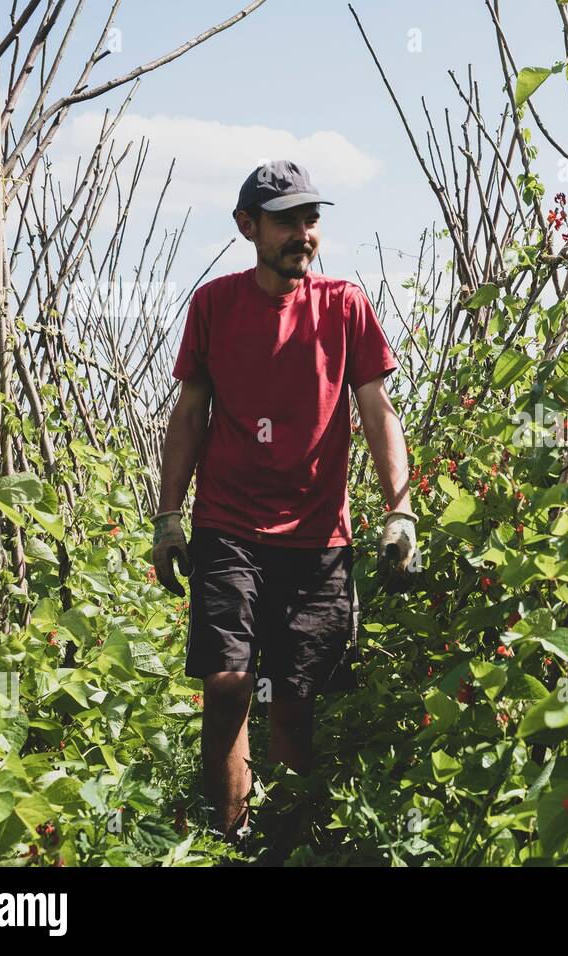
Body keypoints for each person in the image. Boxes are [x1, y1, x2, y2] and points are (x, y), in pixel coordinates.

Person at [150, 159, 417, 849]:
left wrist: (400, 510)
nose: (304, 233)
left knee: (294, 704)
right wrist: (168, 517)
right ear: (247, 226)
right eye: (287, 221)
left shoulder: (345, 306)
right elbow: (190, 415)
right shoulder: (213, 305)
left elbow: (378, 409)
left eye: (311, 219)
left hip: (318, 538)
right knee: (229, 683)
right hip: (228, 525)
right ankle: (228, 842)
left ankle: (284, 850)